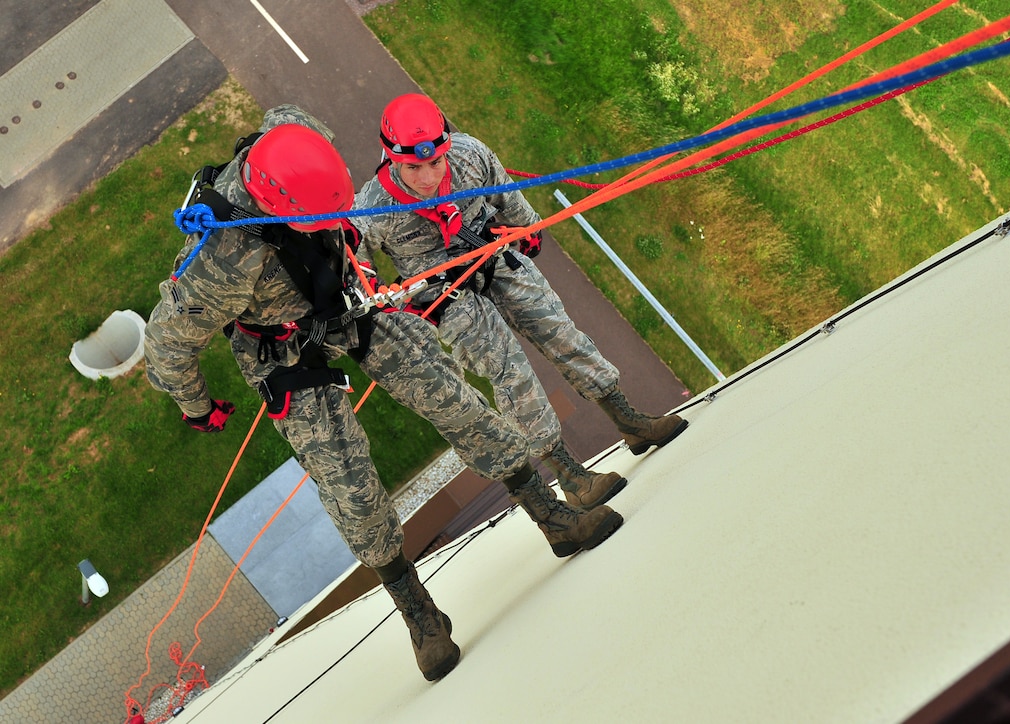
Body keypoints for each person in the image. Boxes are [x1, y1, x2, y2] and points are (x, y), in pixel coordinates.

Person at [143, 105, 623, 682]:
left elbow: (285, 117)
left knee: (454, 400)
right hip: (286, 350)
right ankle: (420, 614)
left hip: (348, 302)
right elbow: (166, 346)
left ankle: (553, 518)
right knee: (351, 487)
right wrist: (198, 406)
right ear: (278, 208)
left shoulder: (298, 137)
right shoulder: (220, 261)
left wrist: (350, 260)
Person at [351, 94, 689, 506]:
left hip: (493, 254)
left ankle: (629, 419)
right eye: (413, 168)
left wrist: (526, 231)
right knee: (510, 373)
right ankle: (571, 476)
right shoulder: (372, 207)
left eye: (434, 163)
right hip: (446, 294)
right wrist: (377, 292)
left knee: (560, 332)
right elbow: (354, 257)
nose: (426, 177)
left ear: (446, 149)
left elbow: (510, 200)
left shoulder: (468, 156)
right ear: (390, 159)